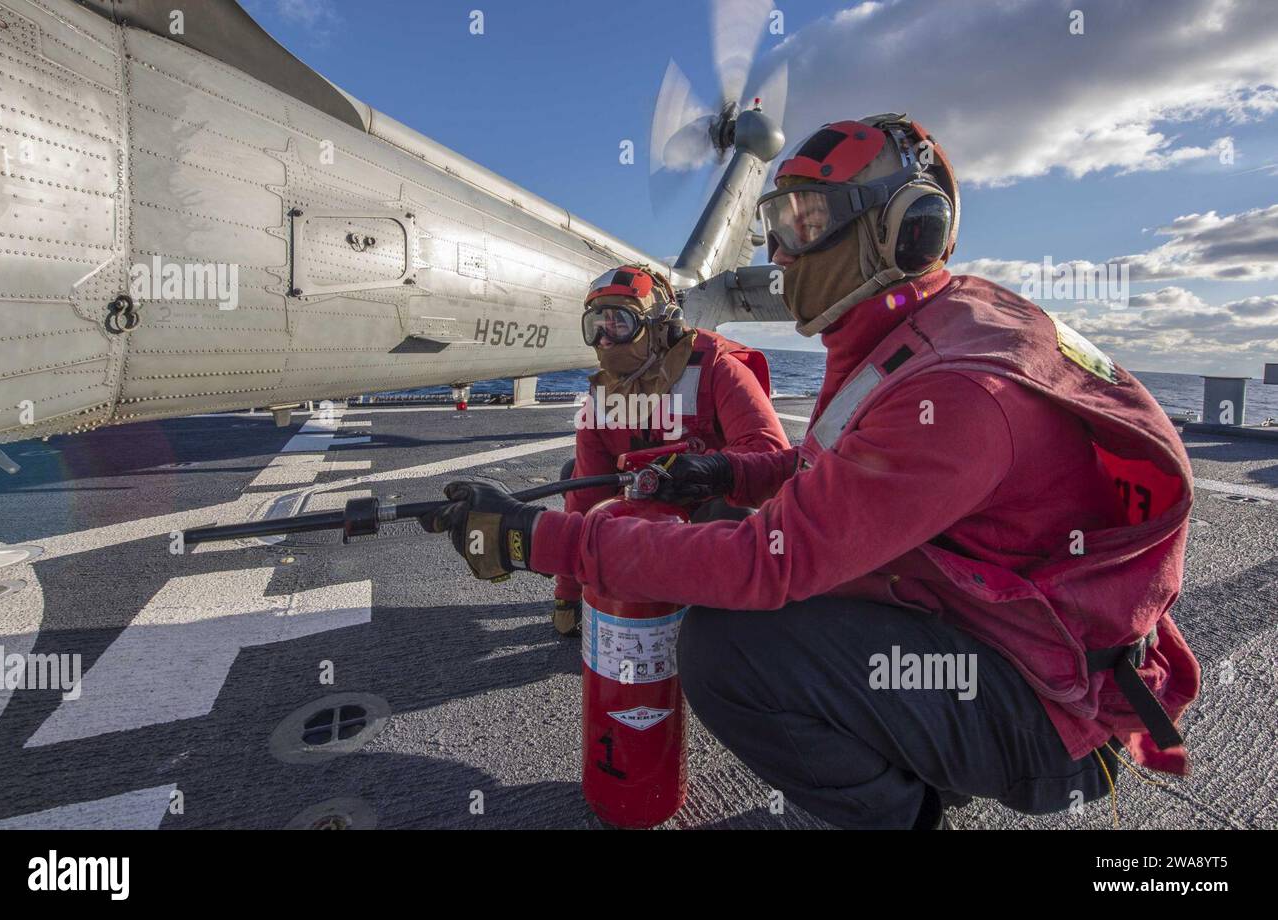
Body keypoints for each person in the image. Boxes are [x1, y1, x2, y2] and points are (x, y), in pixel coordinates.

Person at [420, 114, 1200, 829]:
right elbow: (836, 472)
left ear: (904, 230)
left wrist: (537, 541)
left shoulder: (957, 393)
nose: (778, 254)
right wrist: (726, 474)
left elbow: (768, 563)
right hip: (1001, 637)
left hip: (1055, 717)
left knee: (728, 655)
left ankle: (898, 817)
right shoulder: (923, 330)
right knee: (734, 552)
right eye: (775, 225)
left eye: (804, 223)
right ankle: (908, 765)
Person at [549, 264, 789, 636]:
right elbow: (587, 494)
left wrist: (712, 470)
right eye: (595, 326)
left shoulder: (716, 367)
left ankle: (734, 623)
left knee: (737, 509)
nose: (605, 340)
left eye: (618, 322)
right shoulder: (600, 399)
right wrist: (568, 591)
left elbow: (772, 454)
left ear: (661, 325)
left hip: (703, 515)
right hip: (640, 509)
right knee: (574, 475)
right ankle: (631, 585)